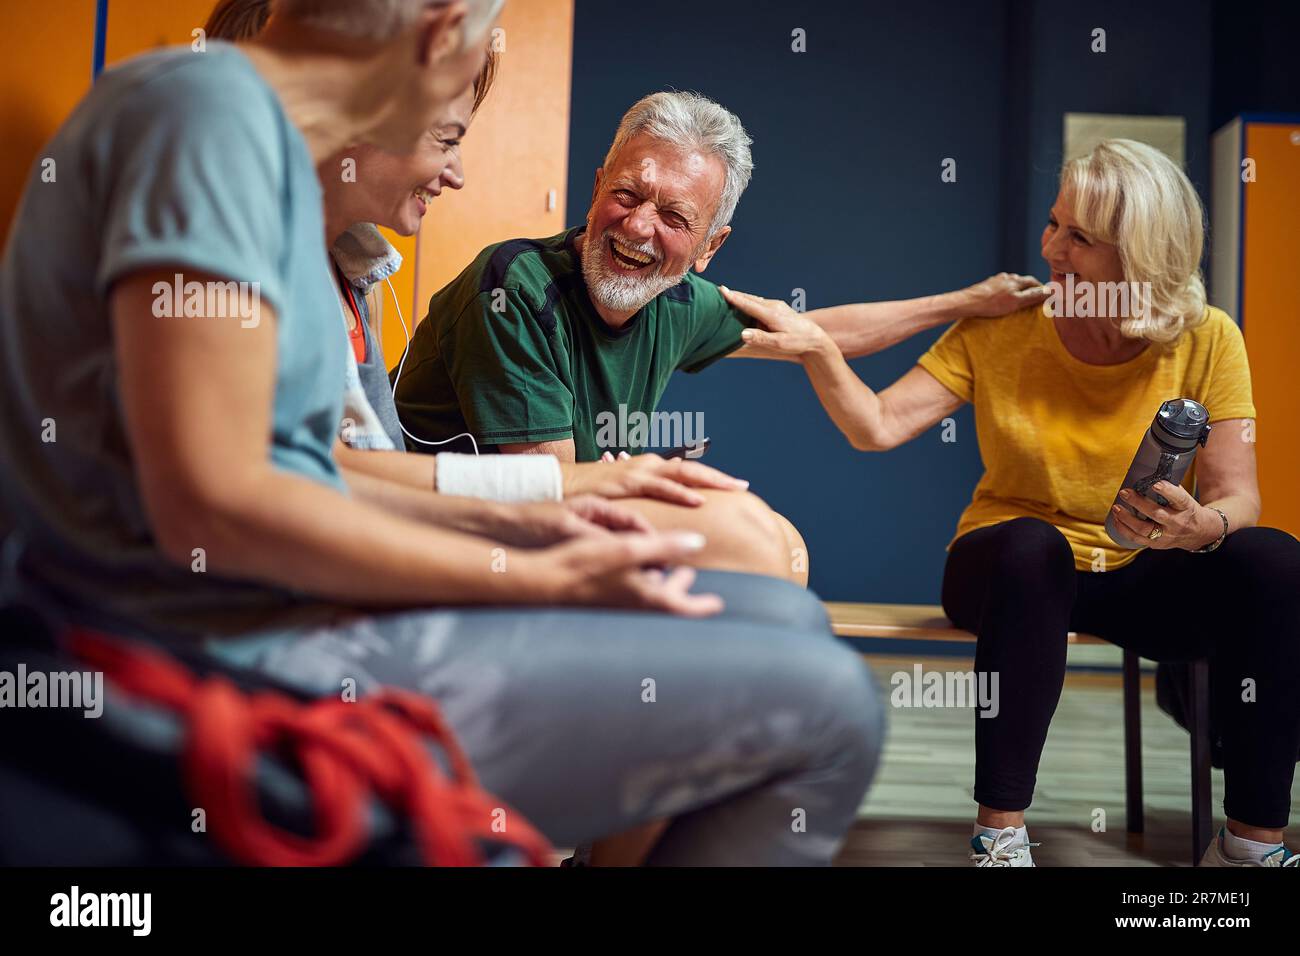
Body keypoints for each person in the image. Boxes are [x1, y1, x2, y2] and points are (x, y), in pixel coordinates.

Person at [0, 0, 884, 865]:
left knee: (788, 622)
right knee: (835, 705)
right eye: (454, 135)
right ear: (438, 28)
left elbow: (312, 467)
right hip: (234, 656)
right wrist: (539, 571)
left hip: (285, 615)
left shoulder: (263, 160)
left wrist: (558, 496)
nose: (455, 166)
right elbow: (216, 506)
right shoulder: (207, 116)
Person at [721, 138, 1300, 867]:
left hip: (1138, 568)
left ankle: (1252, 846)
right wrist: (817, 350)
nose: (1051, 246)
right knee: (1034, 549)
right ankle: (1000, 838)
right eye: (1054, 222)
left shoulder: (1208, 337)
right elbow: (877, 426)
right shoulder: (1003, 327)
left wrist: (1199, 527)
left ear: (1140, 257)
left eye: (1080, 237)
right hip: (1006, 570)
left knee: (1273, 557)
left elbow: (1236, 496)